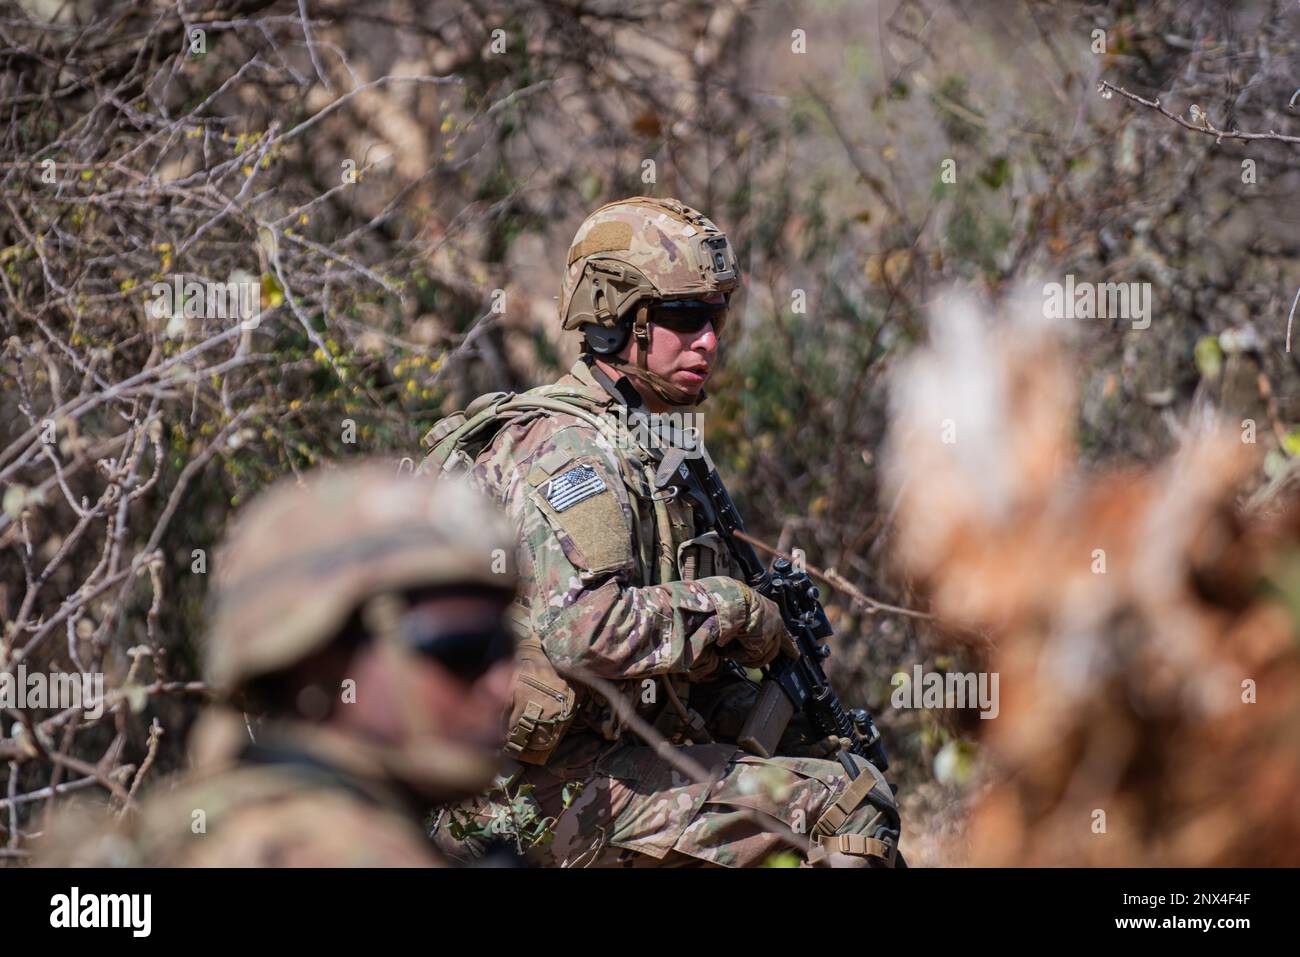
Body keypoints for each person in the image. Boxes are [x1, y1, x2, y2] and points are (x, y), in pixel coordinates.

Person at [424, 197, 902, 867]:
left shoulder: (660, 452)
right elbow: (584, 632)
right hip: (519, 802)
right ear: (618, 321)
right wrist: (733, 607)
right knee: (844, 809)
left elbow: (673, 677)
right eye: (683, 317)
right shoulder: (571, 447)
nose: (708, 339)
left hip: (601, 769)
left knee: (834, 769)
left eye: (716, 317)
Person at [39, 464, 518, 867]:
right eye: (463, 652)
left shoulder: (197, 828)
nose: (504, 684)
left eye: (504, 649)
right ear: (316, 657)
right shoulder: (331, 851)